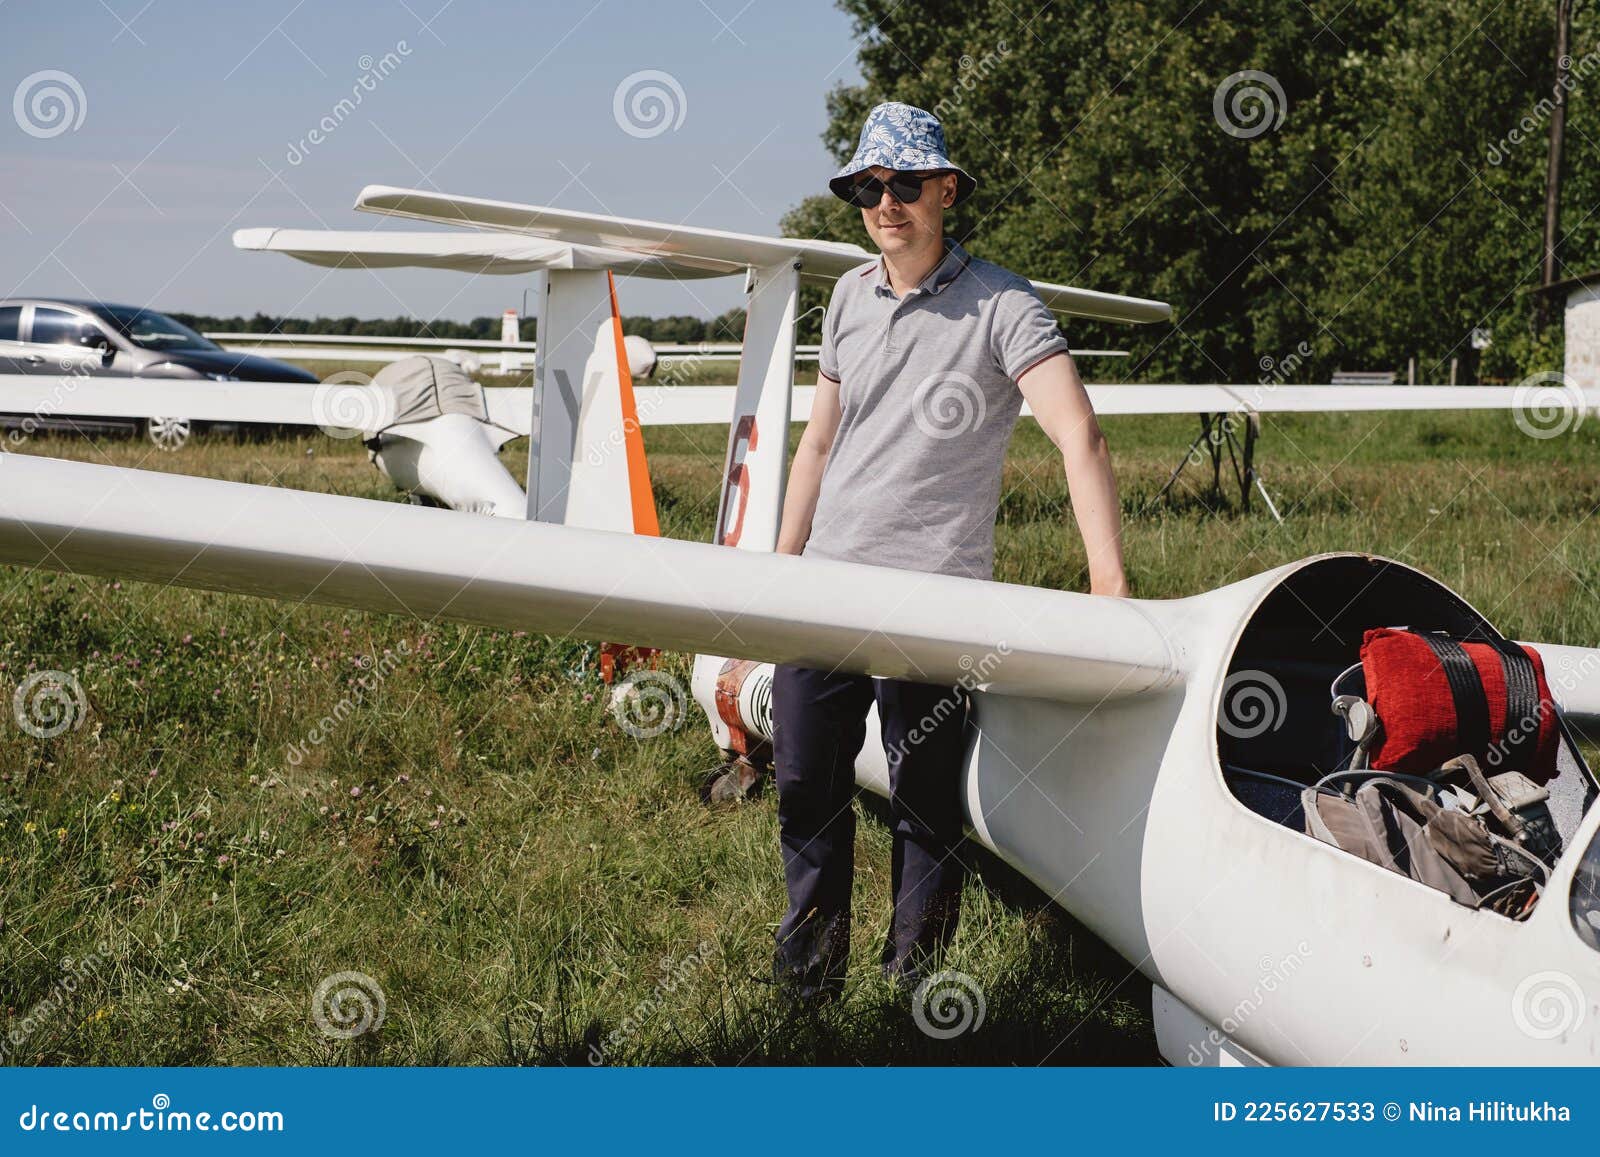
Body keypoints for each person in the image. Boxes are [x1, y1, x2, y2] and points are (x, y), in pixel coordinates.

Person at [770, 101, 1131, 1000]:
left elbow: (1078, 433)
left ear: (946, 190)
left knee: (925, 799)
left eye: (903, 184)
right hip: (828, 586)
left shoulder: (1004, 304)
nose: (885, 202)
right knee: (807, 781)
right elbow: (816, 444)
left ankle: (911, 985)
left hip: (936, 597)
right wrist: (775, 567)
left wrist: (1109, 588)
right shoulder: (849, 296)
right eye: (867, 187)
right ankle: (809, 983)